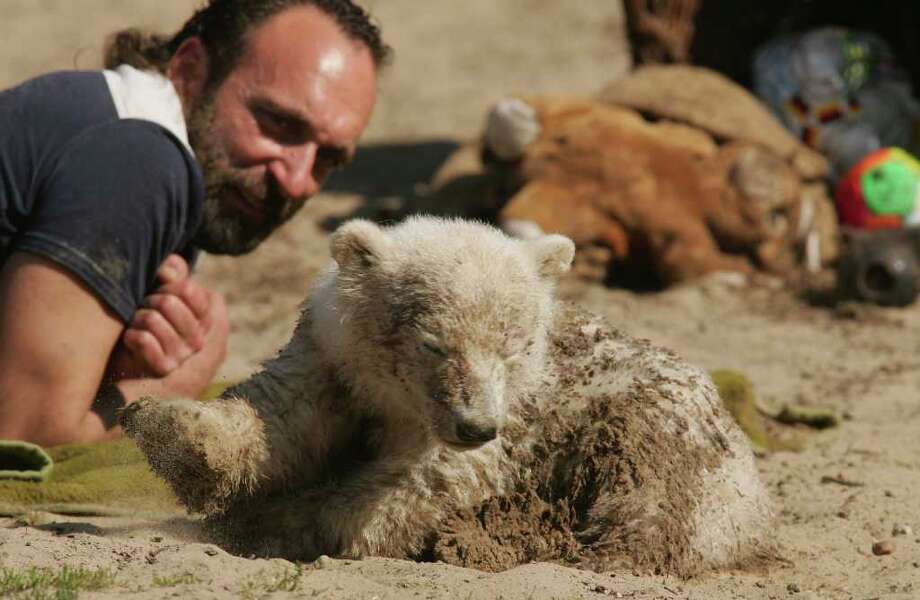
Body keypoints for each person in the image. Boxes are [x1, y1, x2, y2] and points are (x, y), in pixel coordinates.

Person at [0, 0, 390, 446]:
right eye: (278, 124)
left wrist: (120, 369)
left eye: (328, 159)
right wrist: (177, 383)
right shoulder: (139, 158)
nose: (298, 181)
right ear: (190, 70)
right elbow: (22, 436)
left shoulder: (116, 129)